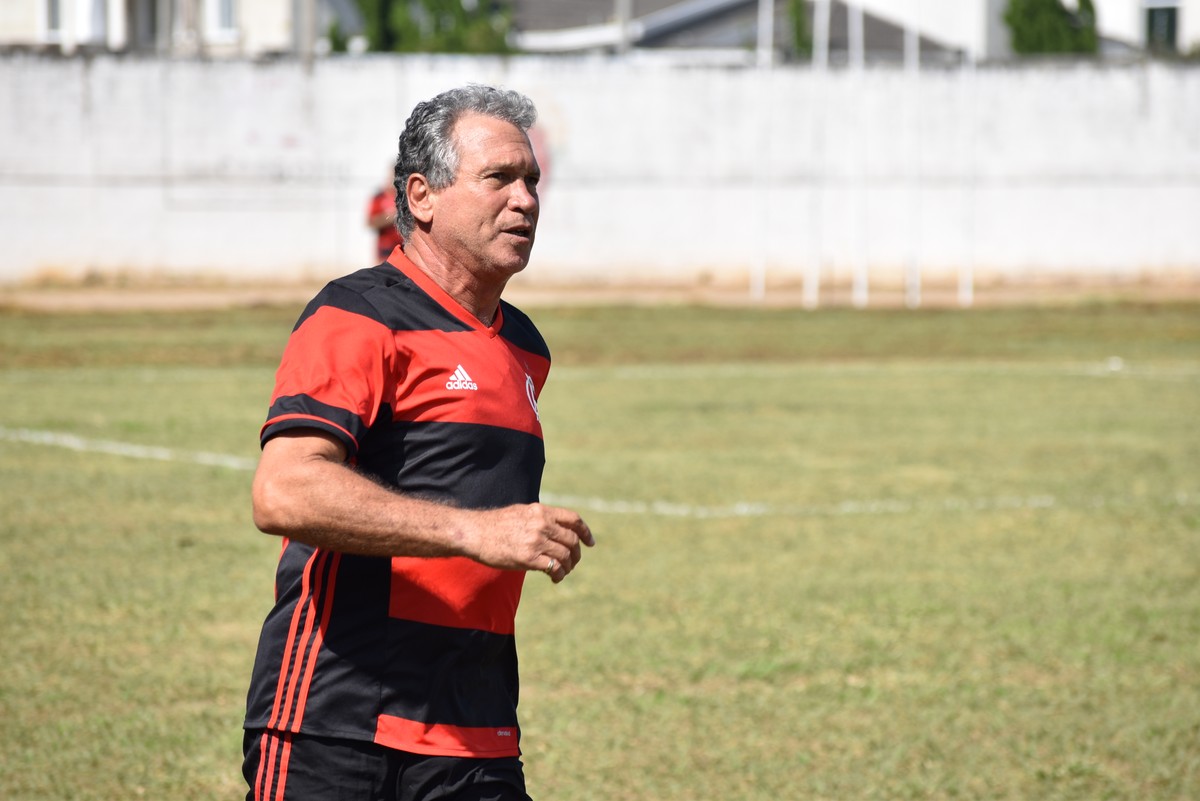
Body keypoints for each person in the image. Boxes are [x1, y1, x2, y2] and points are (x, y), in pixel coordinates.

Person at [242, 85, 594, 801]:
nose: (525, 199)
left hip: (477, 726)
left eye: (531, 180)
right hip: (337, 725)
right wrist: (474, 530)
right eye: (498, 178)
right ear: (422, 196)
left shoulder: (526, 347)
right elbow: (284, 489)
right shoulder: (358, 315)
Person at [366, 175, 403, 260]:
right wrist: (388, 218)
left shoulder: (403, 197)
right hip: (385, 246)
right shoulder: (379, 197)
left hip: (403, 246)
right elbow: (370, 222)